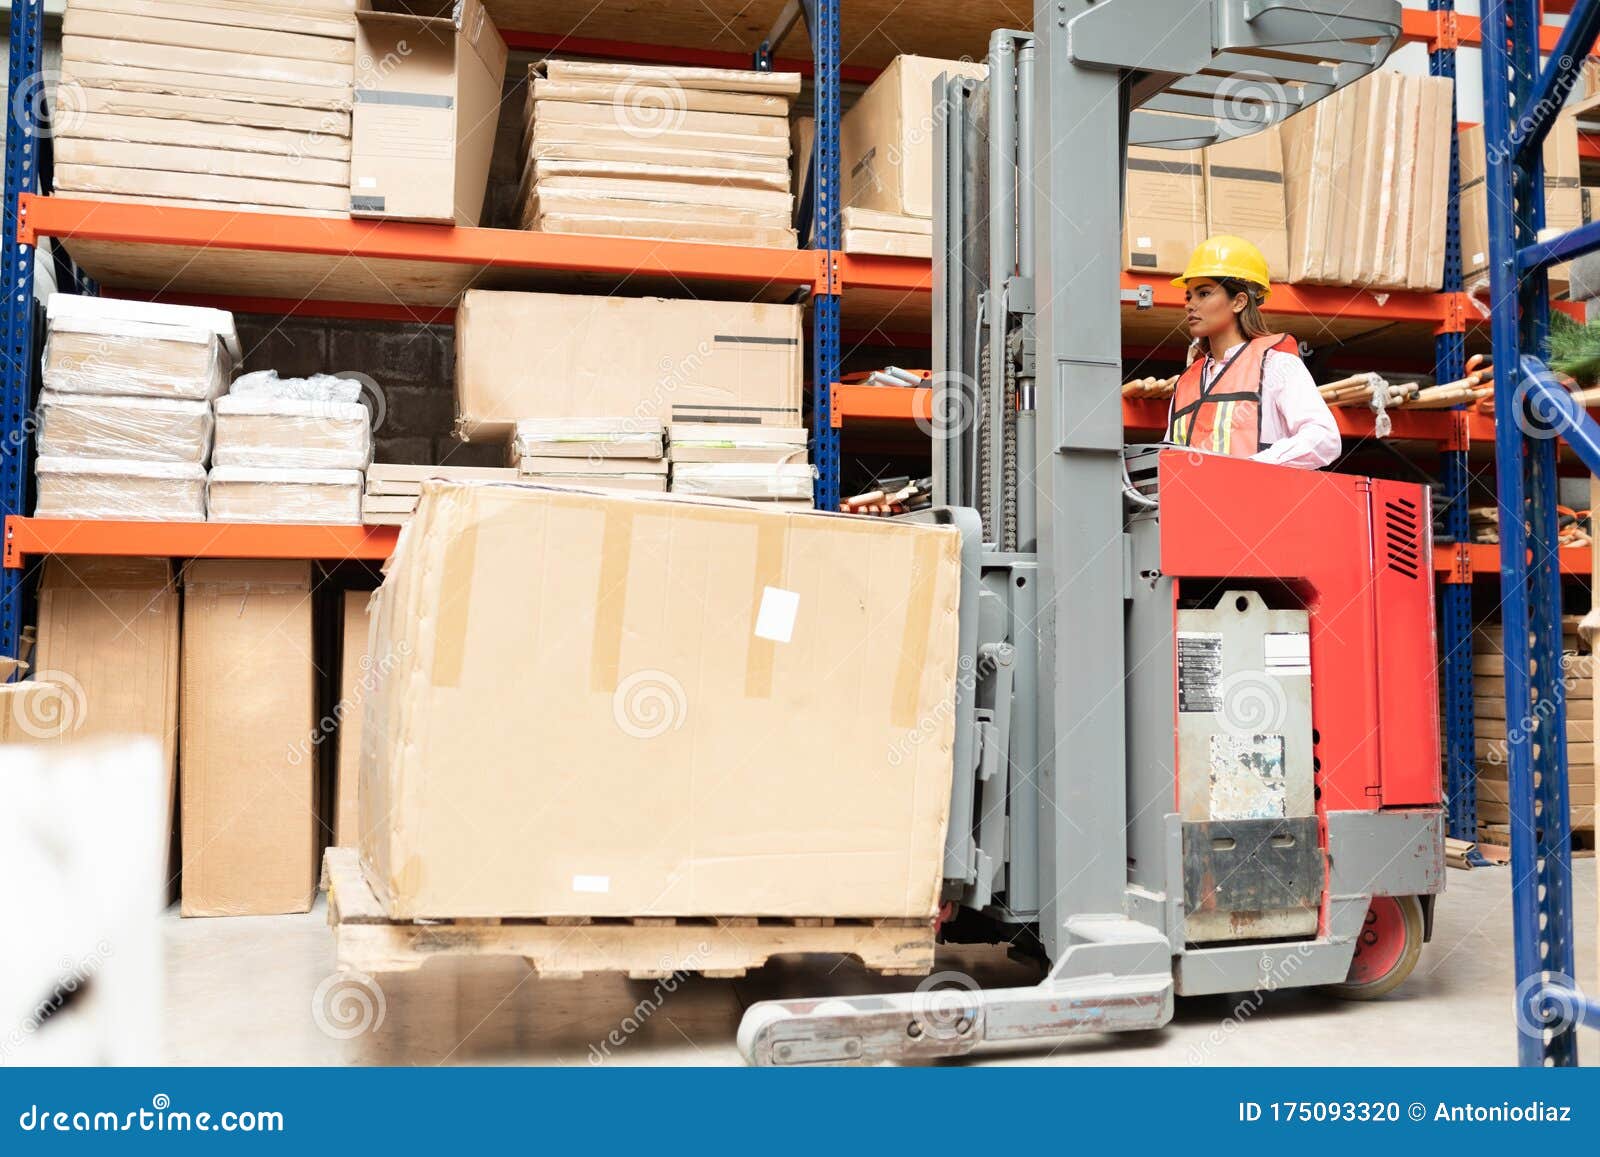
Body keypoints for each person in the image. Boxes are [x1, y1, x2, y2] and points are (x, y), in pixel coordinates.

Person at [1165, 234, 1340, 470]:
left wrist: (1251, 470)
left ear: (1238, 302)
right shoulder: (1187, 381)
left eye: (1203, 293)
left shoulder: (1275, 365)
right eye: (1189, 295)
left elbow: (1323, 438)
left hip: (1260, 503)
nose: (1190, 304)